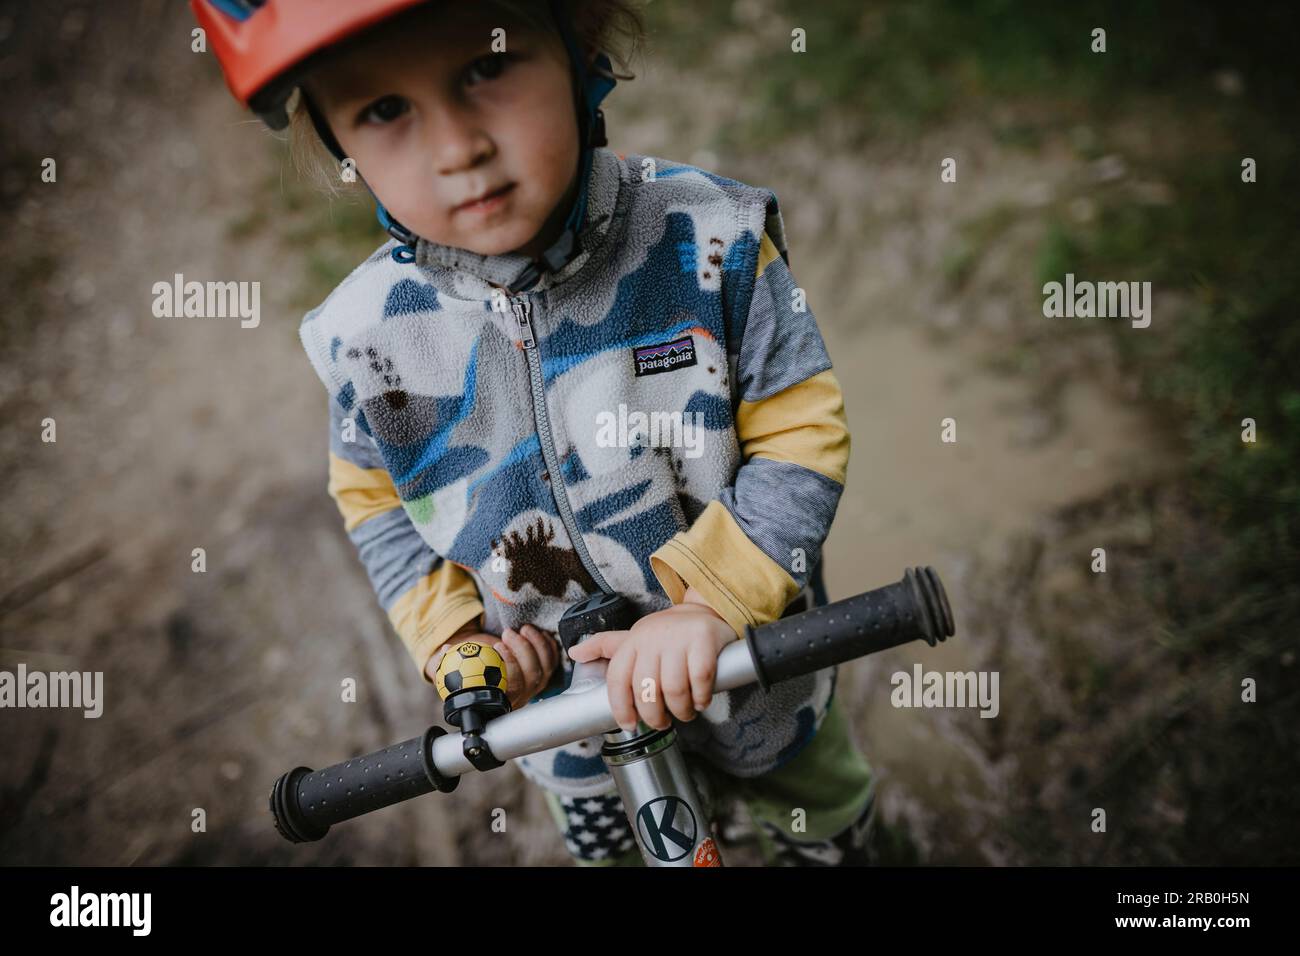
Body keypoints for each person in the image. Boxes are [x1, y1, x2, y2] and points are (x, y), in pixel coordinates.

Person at [192, 0, 876, 866]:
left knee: (826, 824)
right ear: (337, 141)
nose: (457, 149)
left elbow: (799, 427)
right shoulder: (367, 341)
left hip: (756, 676)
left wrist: (712, 602)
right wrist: (461, 643)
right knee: (620, 852)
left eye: (486, 67)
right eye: (385, 110)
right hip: (567, 723)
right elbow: (374, 499)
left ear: (580, 43)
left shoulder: (710, 237)